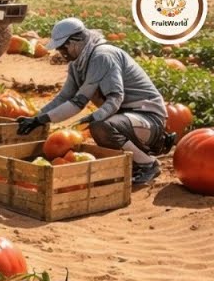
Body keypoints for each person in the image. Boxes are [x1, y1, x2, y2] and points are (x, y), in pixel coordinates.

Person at [17, 17, 176, 187]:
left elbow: (114, 99)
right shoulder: (77, 64)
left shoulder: (103, 56)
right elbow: (65, 97)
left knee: (101, 127)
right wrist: (37, 118)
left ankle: (148, 164)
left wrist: (93, 117)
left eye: (63, 46)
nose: (60, 52)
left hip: (148, 118)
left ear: (76, 41)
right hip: (125, 118)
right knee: (101, 126)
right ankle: (137, 159)